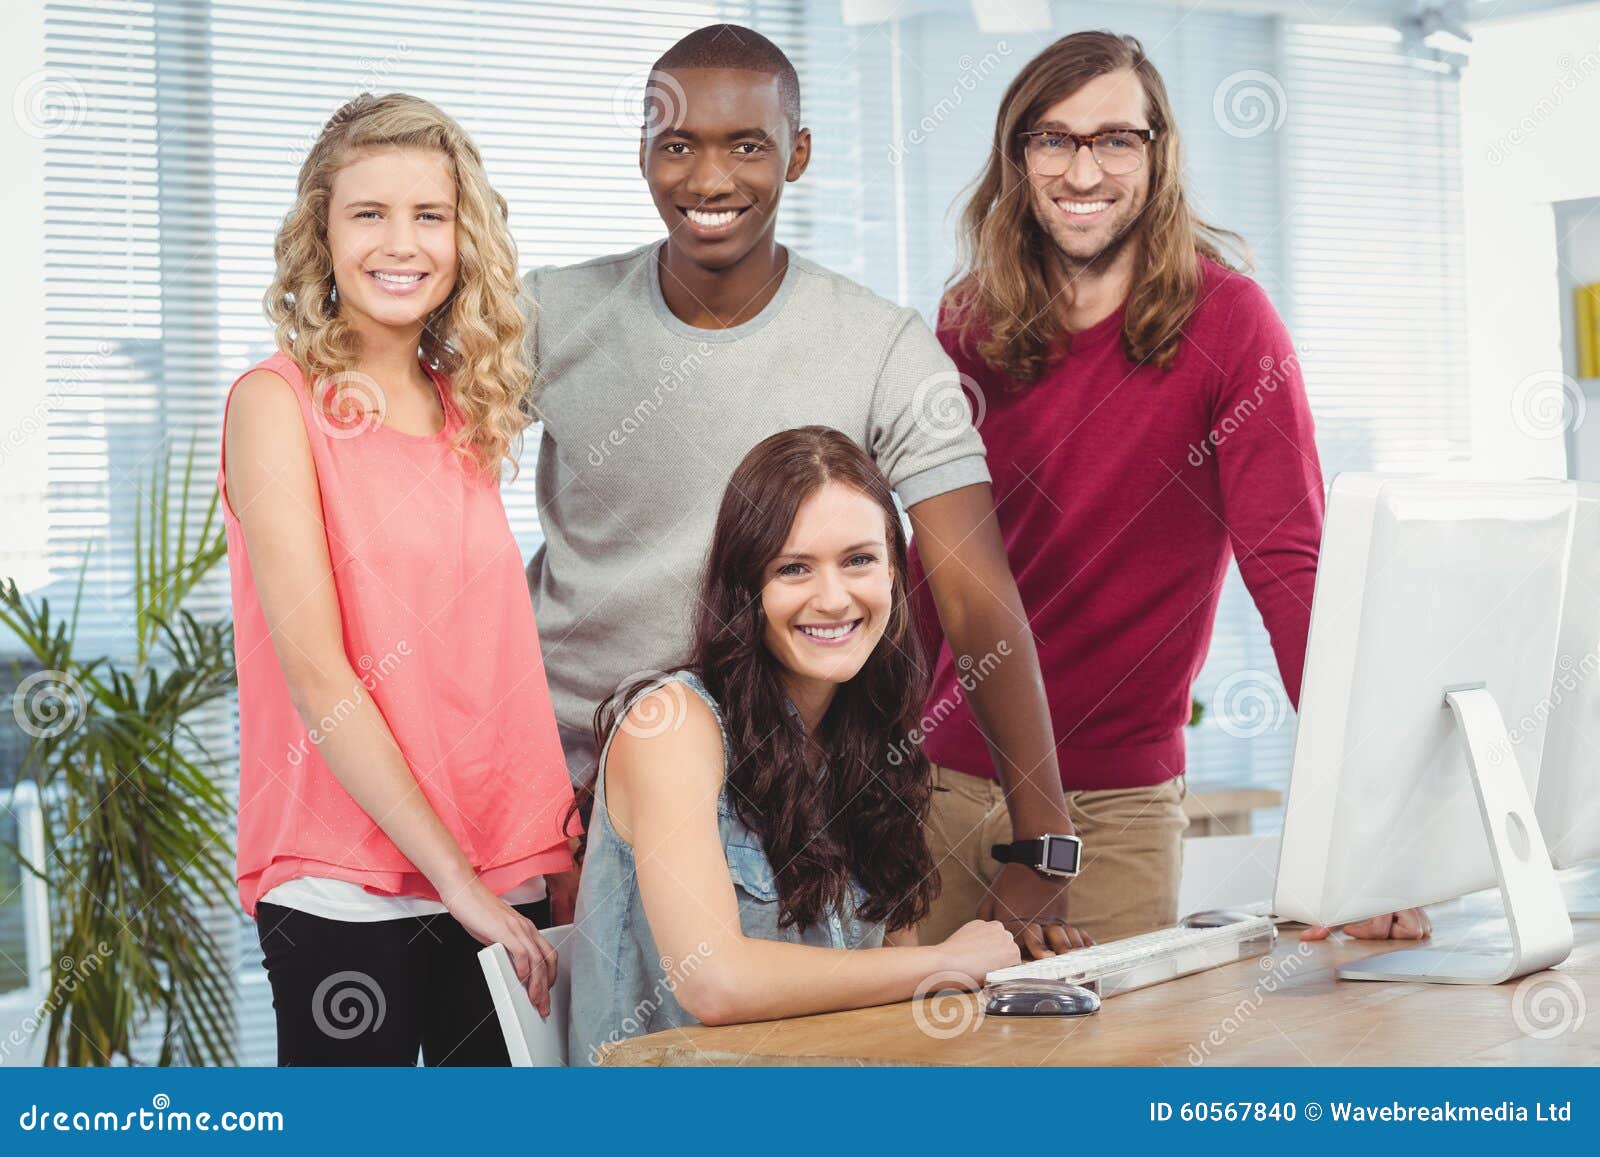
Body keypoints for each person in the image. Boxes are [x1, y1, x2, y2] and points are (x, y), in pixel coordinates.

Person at [525, 24, 1086, 958]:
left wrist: (1045, 840)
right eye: (678, 146)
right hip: (573, 810)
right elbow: (420, 500)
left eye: (747, 145)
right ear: (644, 157)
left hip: (787, 817)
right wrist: (518, 816)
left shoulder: (882, 346)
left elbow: (974, 591)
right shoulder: (549, 315)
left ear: (800, 154)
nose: (710, 181)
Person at [909, 31, 1429, 945]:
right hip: (945, 793)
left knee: (1098, 1085)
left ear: (1158, 154)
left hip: (1116, 810)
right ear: (1018, 158)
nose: (1084, 169)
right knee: (920, 1084)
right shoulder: (967, 322)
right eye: (1053, 139)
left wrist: (1369, 832)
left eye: (1115, 139)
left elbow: (1293, 572)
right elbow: (929, 571)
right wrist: (878, 778)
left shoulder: (1231, 326)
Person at [220, 93, 576, 1066]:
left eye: (429, 214)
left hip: (504, 876)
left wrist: (553, 853)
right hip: (347, 881)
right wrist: (454, 880)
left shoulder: (470, 406)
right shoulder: (274, 403)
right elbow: (321, 674)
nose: (400, 242)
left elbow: (487, 665)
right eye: (367, 213)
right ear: (321, 234)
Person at [568, 426, 1025, 1064]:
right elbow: (714, 982)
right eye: (793, 568)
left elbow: (896, 995)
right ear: (746, 587)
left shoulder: (867, 734)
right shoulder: (672, 723)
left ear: (894, 572)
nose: (834, 598)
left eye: (859, 560)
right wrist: (944, 962)